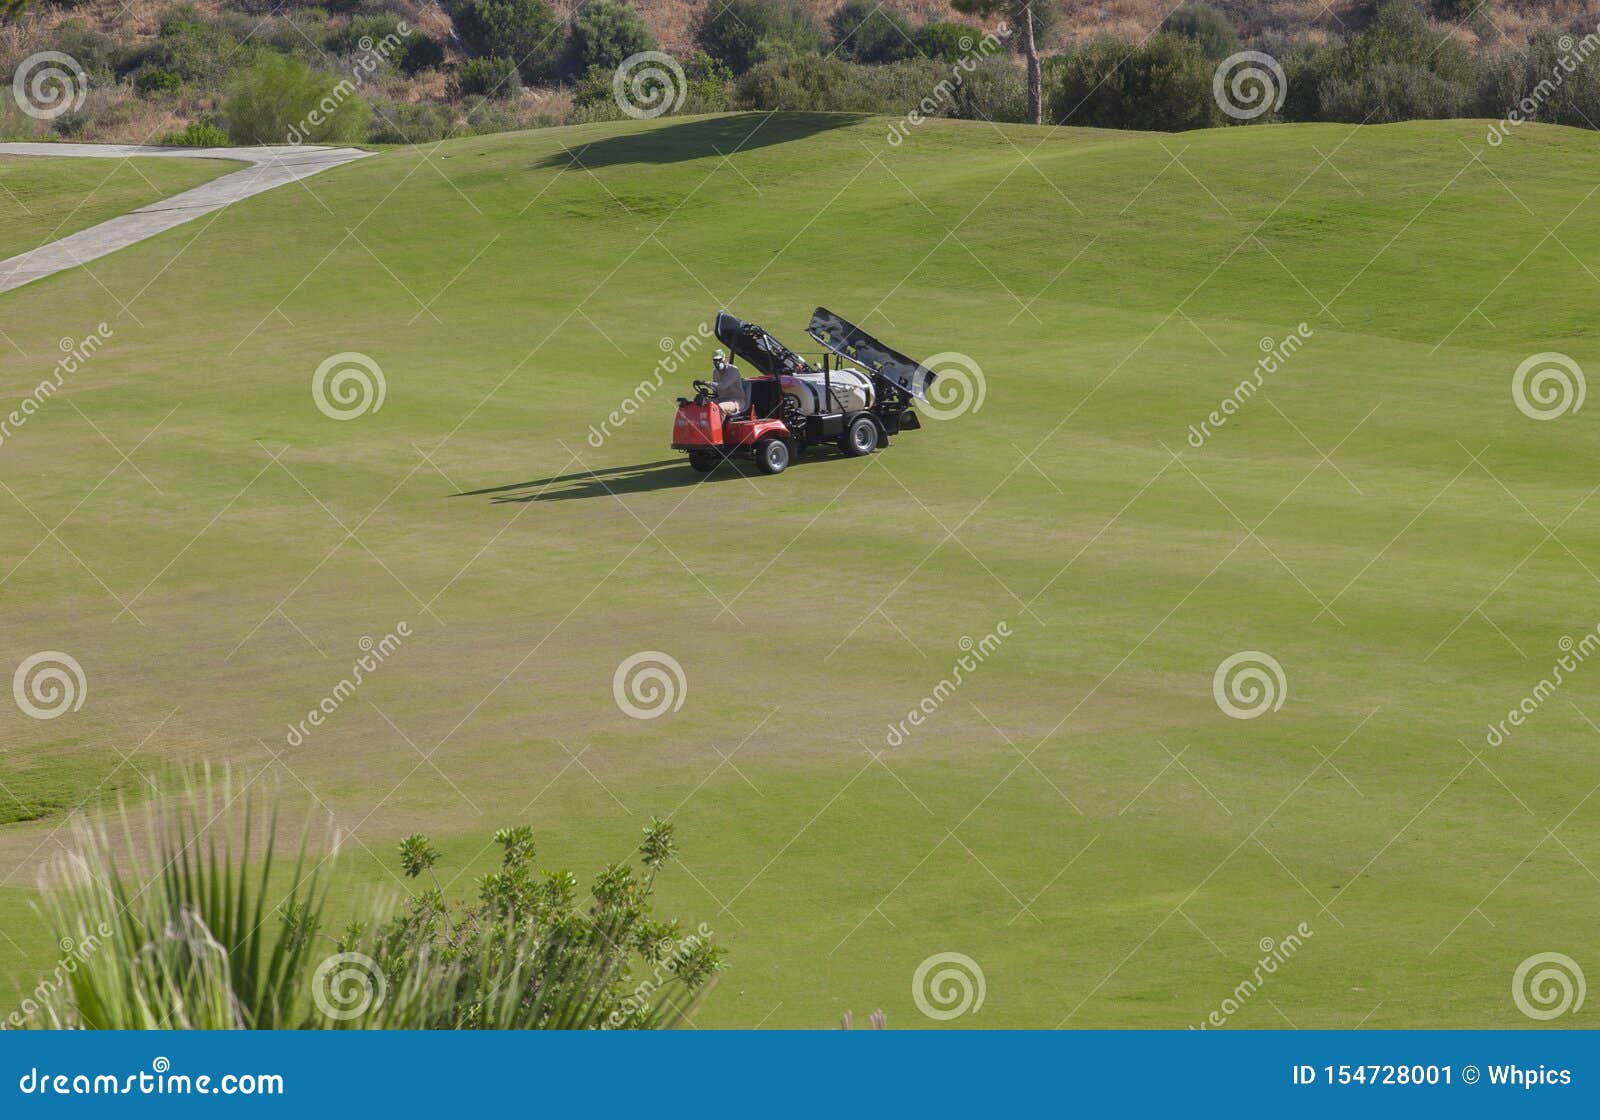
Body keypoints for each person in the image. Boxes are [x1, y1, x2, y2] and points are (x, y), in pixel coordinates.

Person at [711, 350, 746, 416]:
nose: (717, 362)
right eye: (715, 360)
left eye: (719, 359)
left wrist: (709, 383)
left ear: (725, 359)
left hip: (737, 401)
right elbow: (715, 390)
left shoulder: (733, 370)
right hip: (722, 399)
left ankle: (716, 426)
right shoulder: (715, 372)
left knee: (721, 407)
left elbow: (724, 386)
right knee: (705, 404)